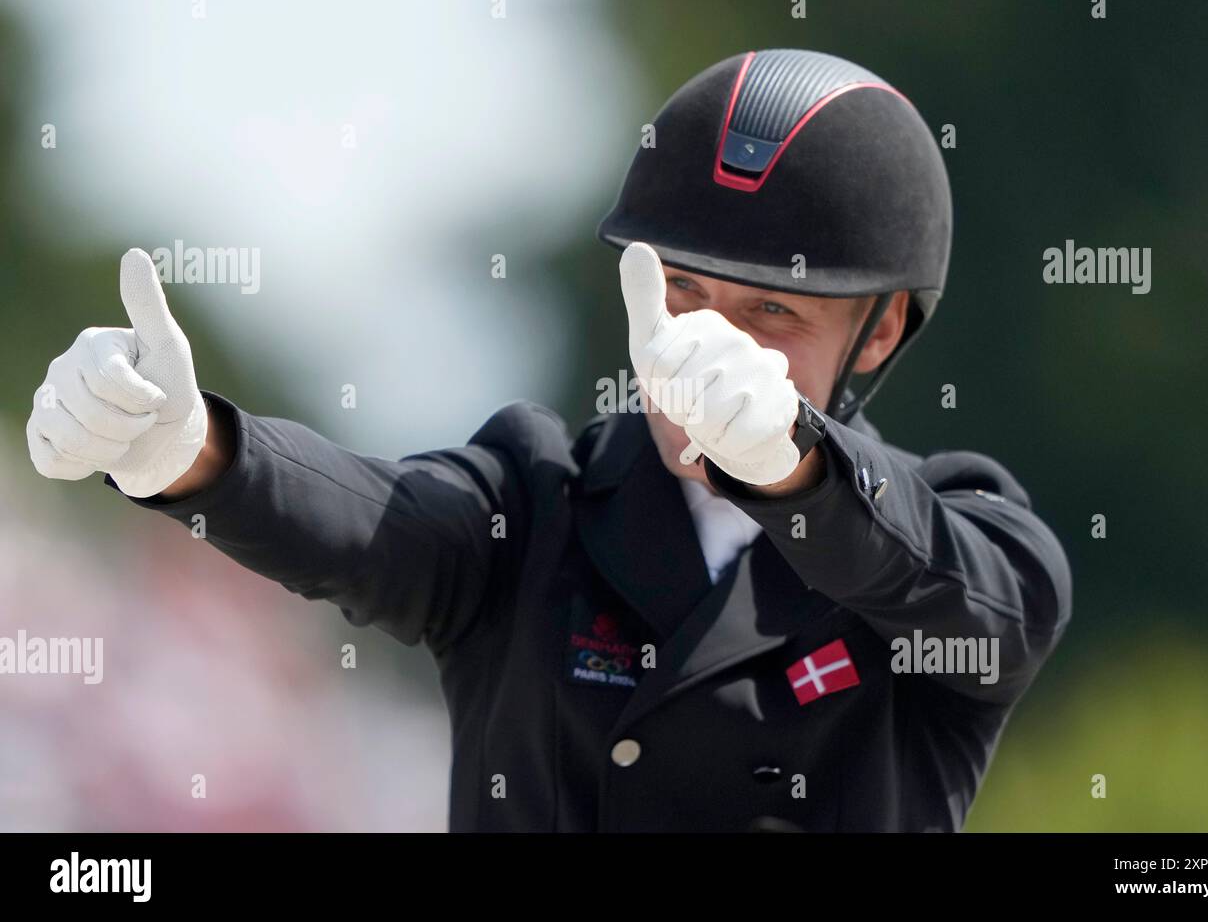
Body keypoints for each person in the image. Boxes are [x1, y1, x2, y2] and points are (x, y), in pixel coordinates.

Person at [26, 48, 1071, 831]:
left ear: (879, 328)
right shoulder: (536, 500)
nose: (707, 350)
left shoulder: (951, 541)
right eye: (682, 293)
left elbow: (984, 594)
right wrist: (194, 450)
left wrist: (796, 470)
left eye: (770, 317)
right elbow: (368, 518)